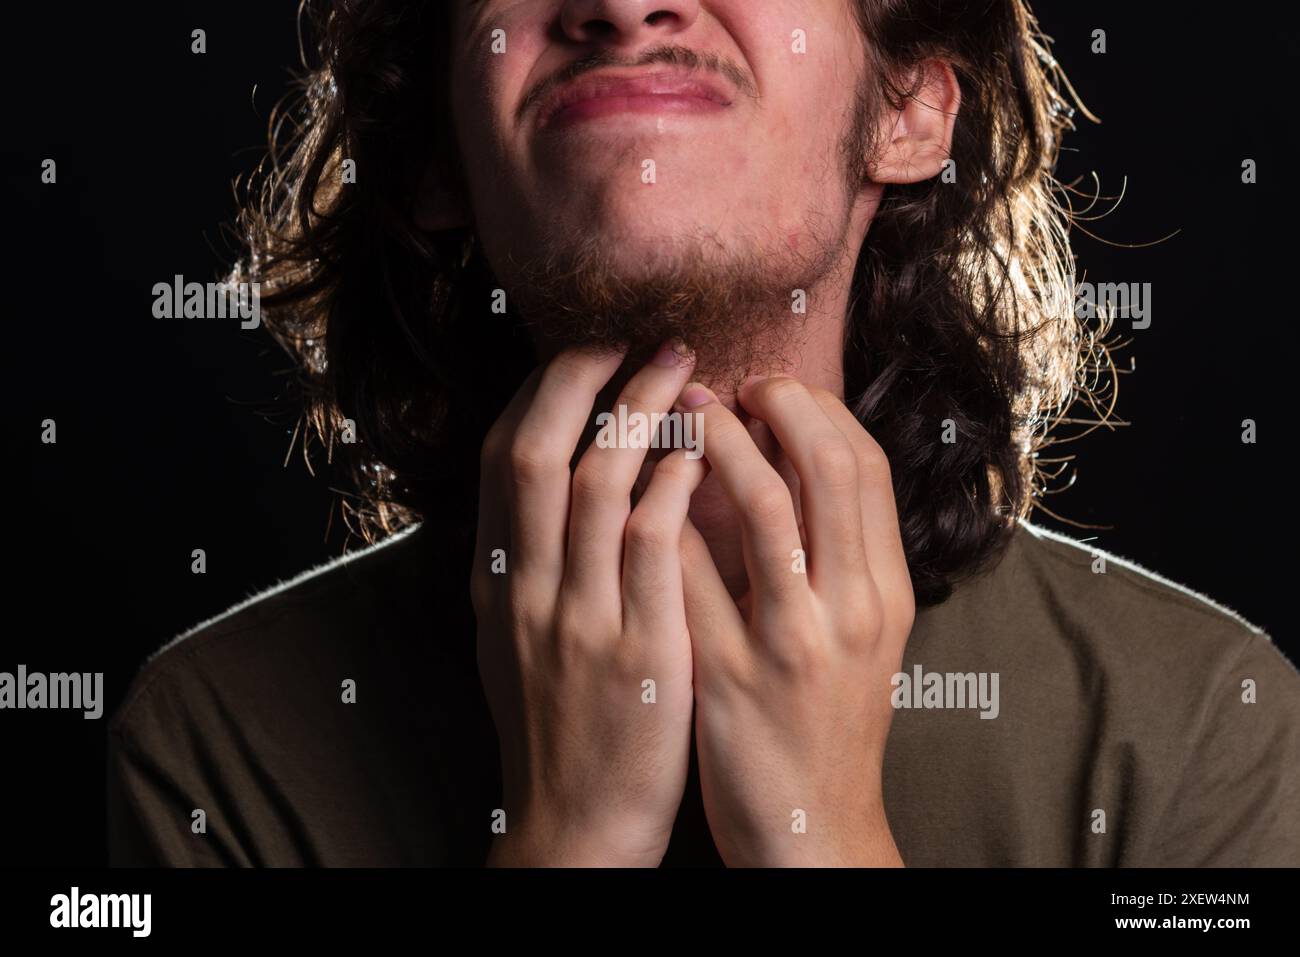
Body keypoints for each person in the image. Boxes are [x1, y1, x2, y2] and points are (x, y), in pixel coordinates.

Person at [107, 0, 1300, 867]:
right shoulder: (218, 750)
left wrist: (821, 842)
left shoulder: (1202, 729)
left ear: (911, 109)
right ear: (435, 155)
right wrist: (571, 841)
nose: (624, 6)